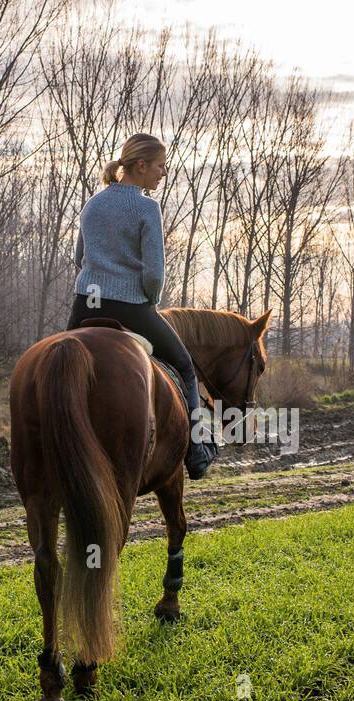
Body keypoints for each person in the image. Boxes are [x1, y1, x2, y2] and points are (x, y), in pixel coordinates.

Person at [67, 133, 216, 479]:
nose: (164, 173)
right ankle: (196, 453)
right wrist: (149, 301)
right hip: (130, 306)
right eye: (161, 166)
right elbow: (153, 274)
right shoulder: (147, 208)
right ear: (141, 165)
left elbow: (79, 257)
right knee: (184, 365)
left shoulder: (93, 204)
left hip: (84, 307)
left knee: (62, 368)